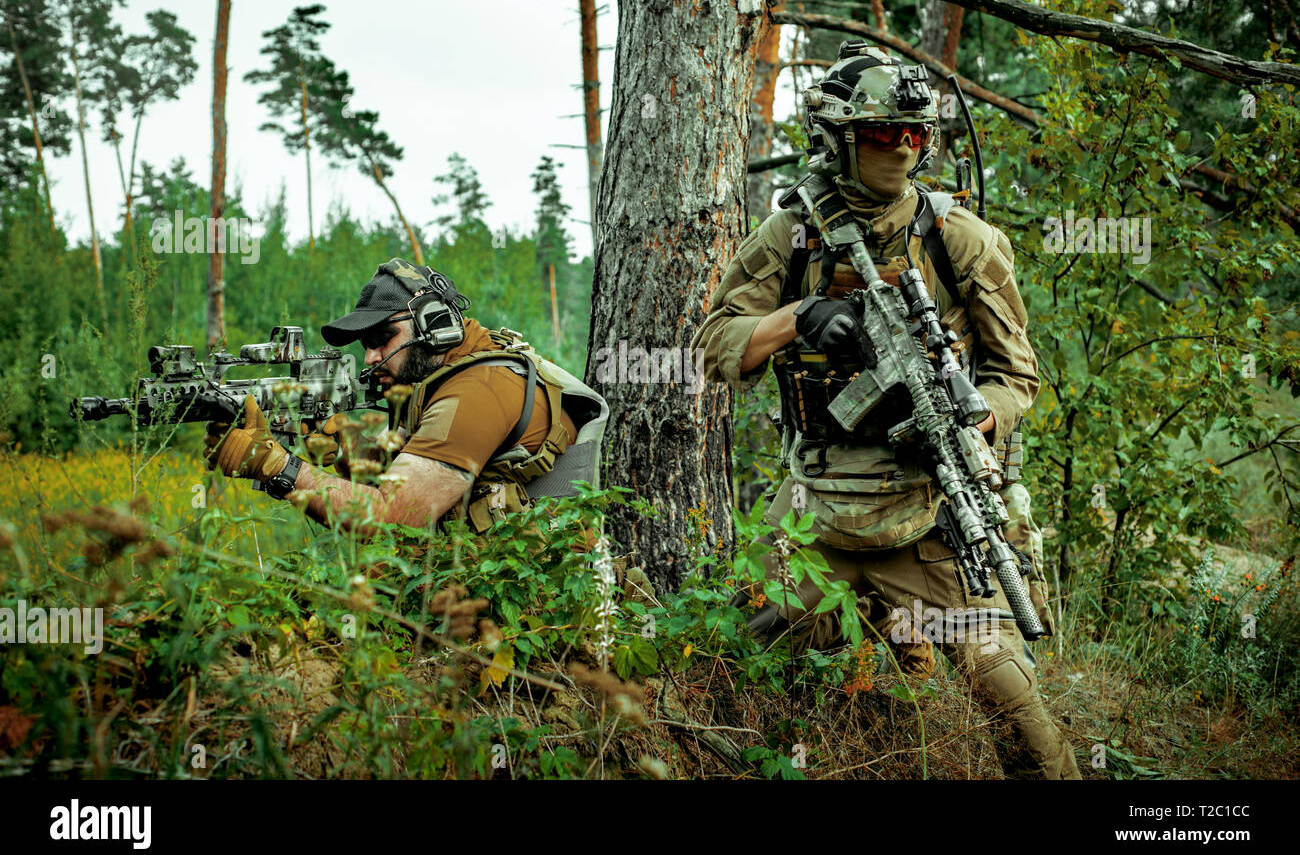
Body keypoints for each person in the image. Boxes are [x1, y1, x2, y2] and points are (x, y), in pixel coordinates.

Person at [689, 42, 1078, 779]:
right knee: (723, 662)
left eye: (916, 134)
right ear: (839, 137)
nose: (901, 147)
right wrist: (797, 317)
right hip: (815, 507)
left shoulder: (957, 239)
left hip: (927, 508)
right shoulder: (791, 236)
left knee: (1007, 689)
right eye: (881, 133)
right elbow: (713, 345)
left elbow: (1016, 375)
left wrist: (971, 418)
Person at [203, 259, 608, 535]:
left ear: (435, 325)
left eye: (382, 339)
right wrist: (343, 449)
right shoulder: (460, 372)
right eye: (366, 343)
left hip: (532, 617)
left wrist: (279, 468)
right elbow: (423, 478)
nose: (371, 356)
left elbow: (395, 516)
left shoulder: (475, 392)